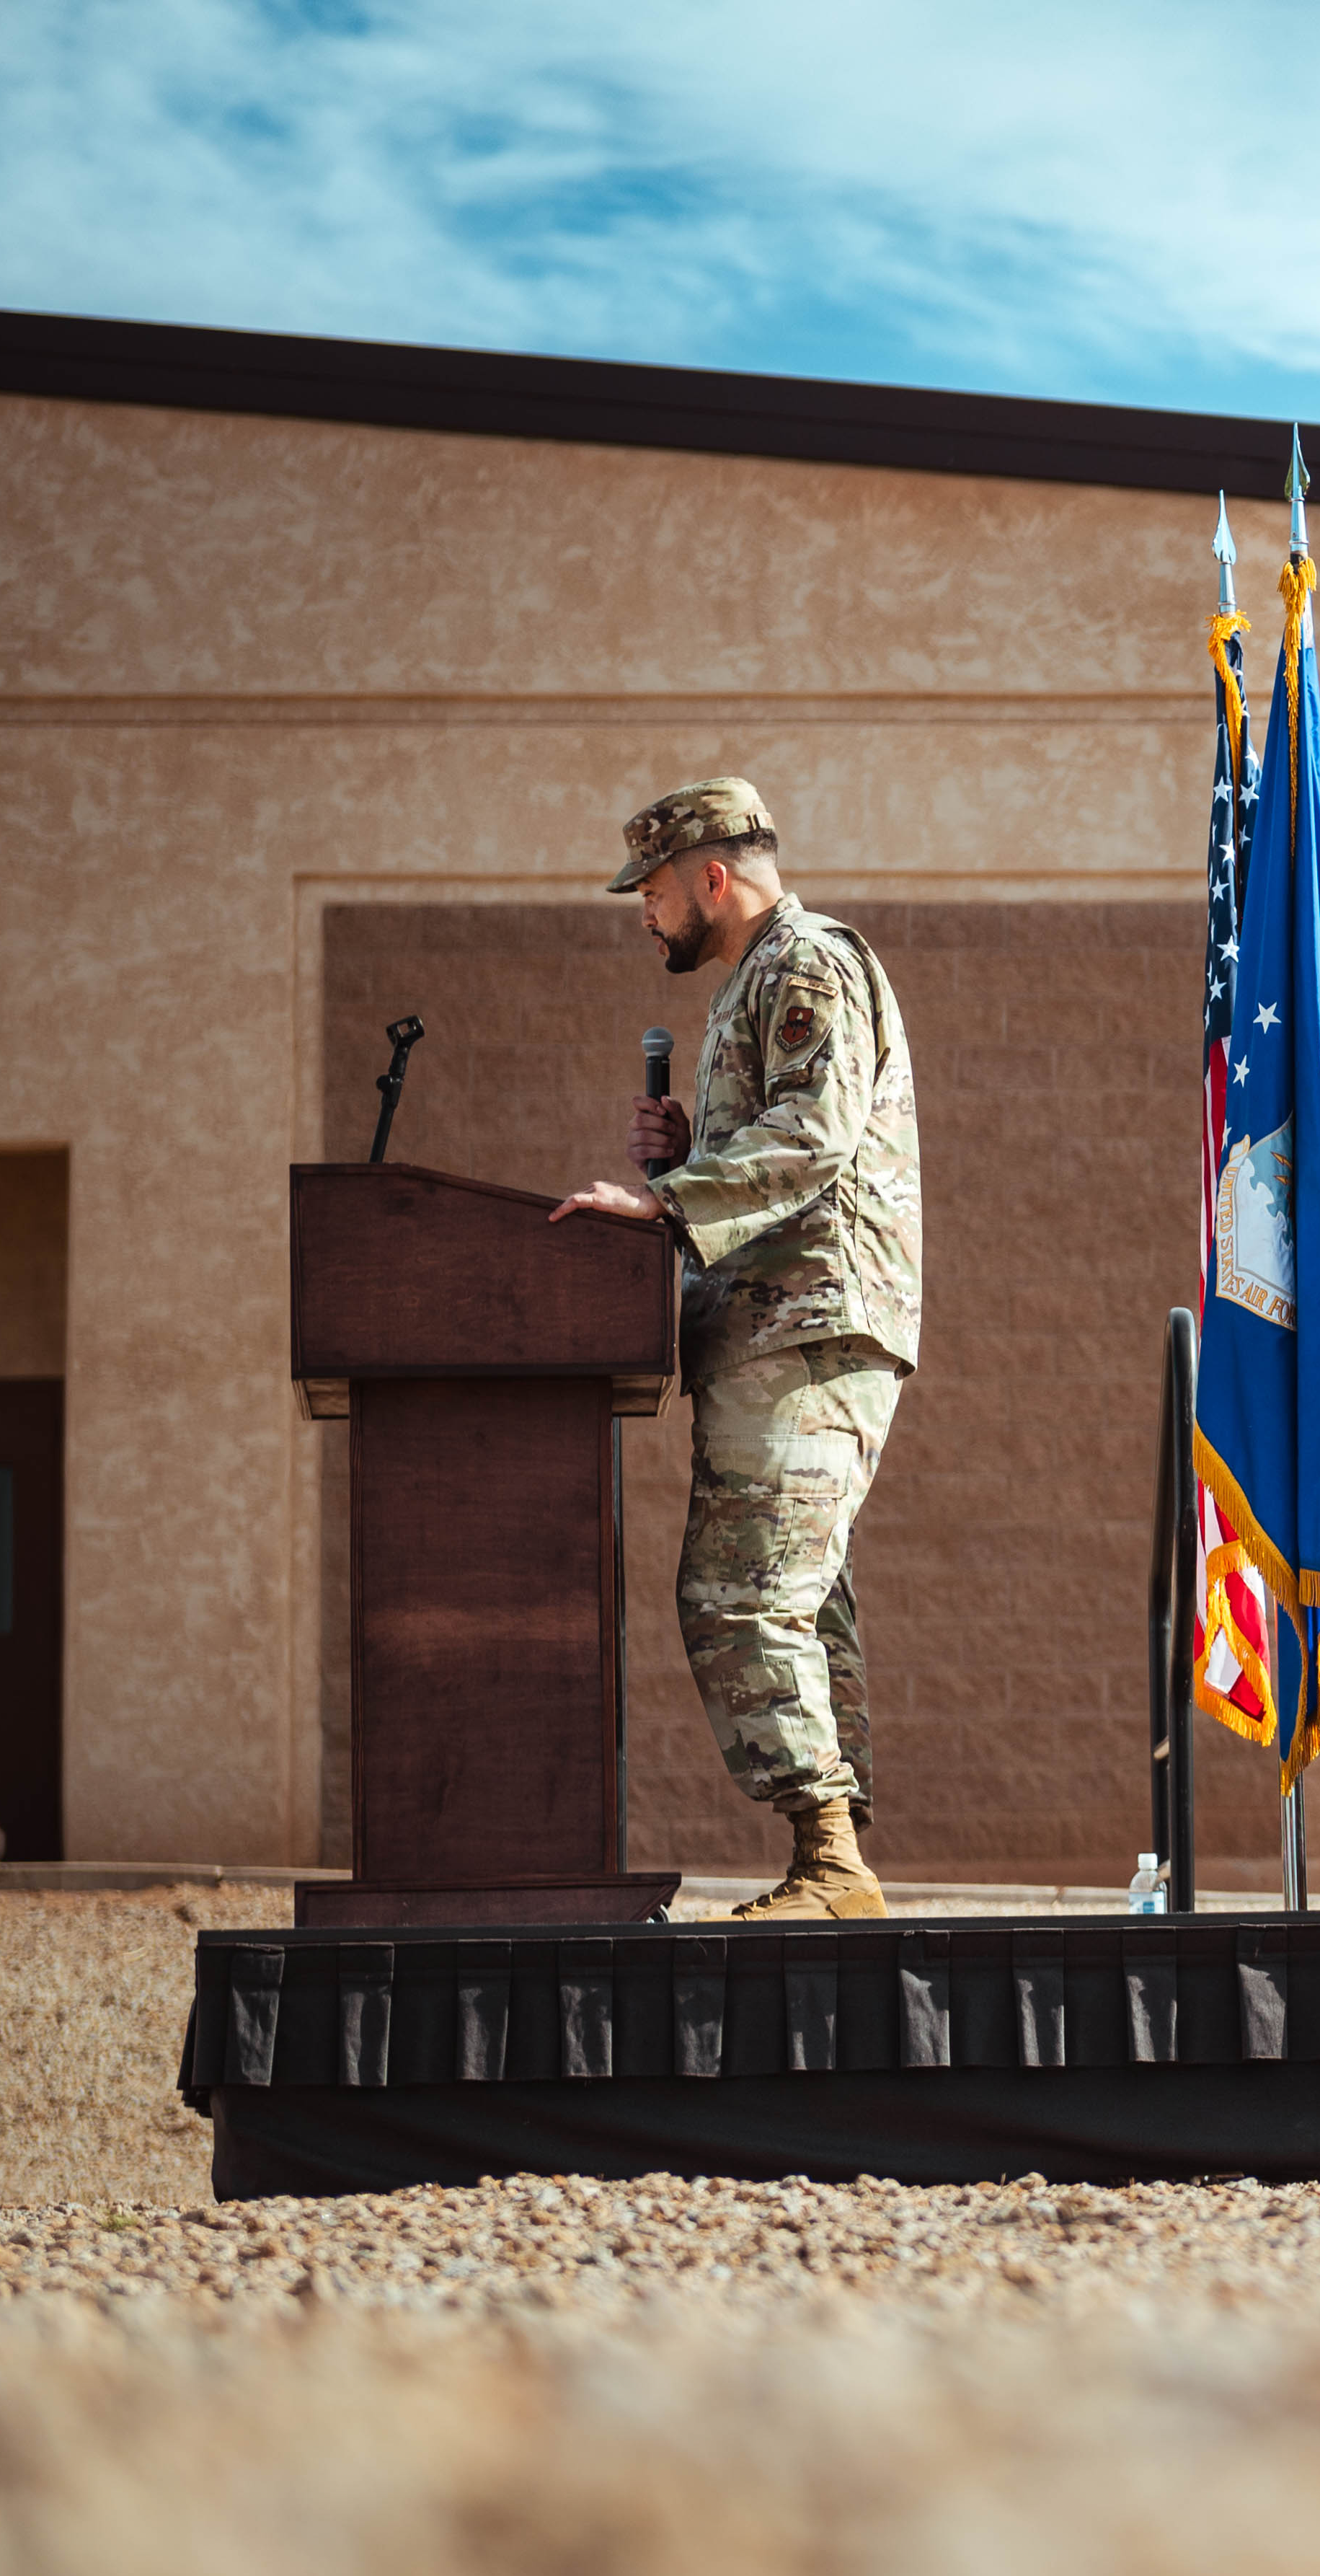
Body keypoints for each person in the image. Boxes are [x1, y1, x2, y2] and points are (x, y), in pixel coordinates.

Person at [551, 777, 922, 1920]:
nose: (643, 915)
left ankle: (827, 1860)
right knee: (798, 1600)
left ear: (713, 875)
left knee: (738, 1594)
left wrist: (665, 1207)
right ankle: (834, 1859)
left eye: (652, 892)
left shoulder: (805, 961)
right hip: (780, 1326)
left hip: (807, 1325)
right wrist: (687, 1155)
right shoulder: (755, 985)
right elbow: (782, 1142)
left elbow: (814, 1136)